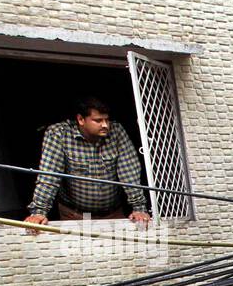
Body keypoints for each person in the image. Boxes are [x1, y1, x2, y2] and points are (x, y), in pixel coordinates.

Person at [25, 97, 151, 229]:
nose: (105, 125)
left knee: (116, 248)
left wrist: (139, 208)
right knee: (78, 248)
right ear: (81, 120)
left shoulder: (117, 132)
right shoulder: (59, 134)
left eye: (107, 120)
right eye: (98, 120)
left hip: (112, 213)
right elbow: (49, 175)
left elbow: (129, 171)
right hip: (75, 214)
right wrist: (39, 212)